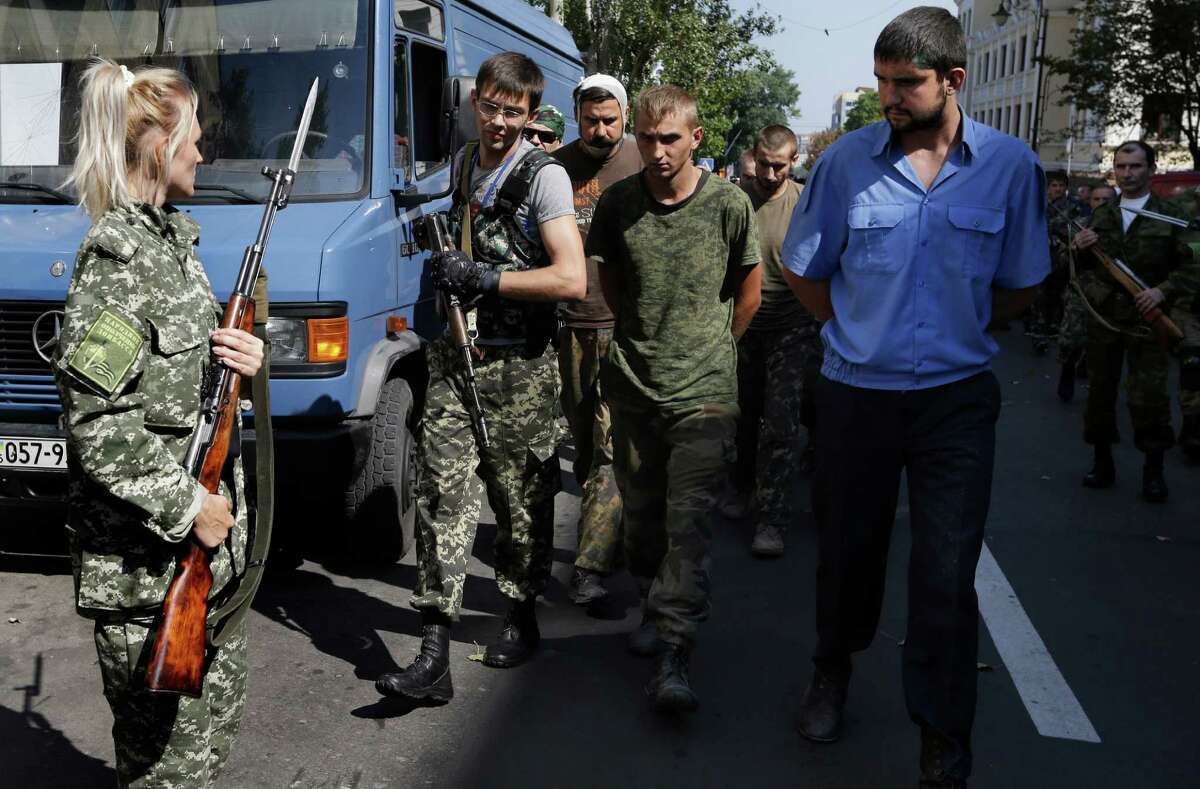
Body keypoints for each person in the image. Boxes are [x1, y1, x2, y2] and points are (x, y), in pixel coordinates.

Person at [780, 8, 1049, 787]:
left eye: (905, 83)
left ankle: (943, 732)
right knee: (848, 554)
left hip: (956, 403)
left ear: (953, 80)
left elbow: (1022, 285)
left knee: (946, 574)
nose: (889, 98)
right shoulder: (844, 164)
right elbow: (804, 268)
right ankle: (832, 668)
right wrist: (858, 330)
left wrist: (957, 328)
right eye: (881, 82)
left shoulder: (1011, 167)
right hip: (856, 396)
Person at [53, 59, 266, 787]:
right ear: (157, 145)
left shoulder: (175, 246)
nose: (202, 153)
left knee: (204, 753)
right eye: (194, 138)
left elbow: (193, 394)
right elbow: (99, 426)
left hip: (201, 564)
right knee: (163, 771)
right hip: (146, 575)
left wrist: (243, 360)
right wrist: (189, 507)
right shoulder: (117, 261)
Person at [375, 52, 585, 702]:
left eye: (512, 113)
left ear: (531, 114)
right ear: (476, 101)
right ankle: (433, 652)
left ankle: (520, 615)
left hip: (520, 368)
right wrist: (443, 259)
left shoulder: (545, 177)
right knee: (440, 493)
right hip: (457, 356)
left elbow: (571, 277)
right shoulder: (466, 162)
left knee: (519, 501)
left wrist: (487, 278)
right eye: (490, 107)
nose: (497, 121)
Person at [589, 84, 760, 713]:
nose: (657, 151)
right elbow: (611, 283)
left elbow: (748, 291)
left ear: (696, 138)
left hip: (705, 392)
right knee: (642, 521)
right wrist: (641, 343)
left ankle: (674, 651)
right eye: (646, 138)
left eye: (669, 138)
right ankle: (652, 604)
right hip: (635, 386)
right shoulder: (618, 204)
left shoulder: (728, 205)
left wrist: (714, 351)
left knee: (688, 525)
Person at [551, 73, 643, 604]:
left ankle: (588, 568)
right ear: (577, 117)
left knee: (609, 446)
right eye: (591, 120)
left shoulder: (642, 161)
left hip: (622, 326)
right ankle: (611, 532)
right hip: (568, 327)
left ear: (624, 116)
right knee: (584, 444)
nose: (601, 130)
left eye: (610, 120)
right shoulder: (554, 168)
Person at [1071, 140, 1198, 501]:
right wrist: (1079, 248)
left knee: (1150, 397)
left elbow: (1193, 266)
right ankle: (1102, 461)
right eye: (1121, 166)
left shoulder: (1172, 215)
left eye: (1136, 166)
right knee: (1100, 393)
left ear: (1151, 170)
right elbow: (1083, 269)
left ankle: (1153, 470)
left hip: (1149, 320)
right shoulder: (1102, 214)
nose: (1127, 174)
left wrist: (1162, 291)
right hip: (1106, 320)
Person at [731, 124, 819, 558]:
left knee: (781, 424)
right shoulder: (735, 201)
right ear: (754, 156)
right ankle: (741, 487)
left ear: (793, 161)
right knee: (741, 418)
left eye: (778, 167)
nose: (769, 175)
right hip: (743, 326)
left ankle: (772, 519)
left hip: (792, 328)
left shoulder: (805, 203)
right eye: (763, 165)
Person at [1058, 183, 1118, 402]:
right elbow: (1061, 260)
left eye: (1106, 200)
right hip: (1081, 291)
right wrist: (1074, 248)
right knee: (1071, 339)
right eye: (1096, 199)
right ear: (1089, 202)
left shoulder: (1123, 226)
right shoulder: (1078, 225)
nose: (1101, 204)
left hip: (1112, 294)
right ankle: (1068, 370)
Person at [1032, 171, 1090, 357]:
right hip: (1040, 258)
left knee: (1062, 295)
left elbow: (1080, 228)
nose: (1057, 189)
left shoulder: (1075, 206)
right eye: (1054, 185)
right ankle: (1039, 331)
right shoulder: (1037, 205)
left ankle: (1058, 329)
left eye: (1061, 185)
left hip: (1064, 259)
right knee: (1039, 296)